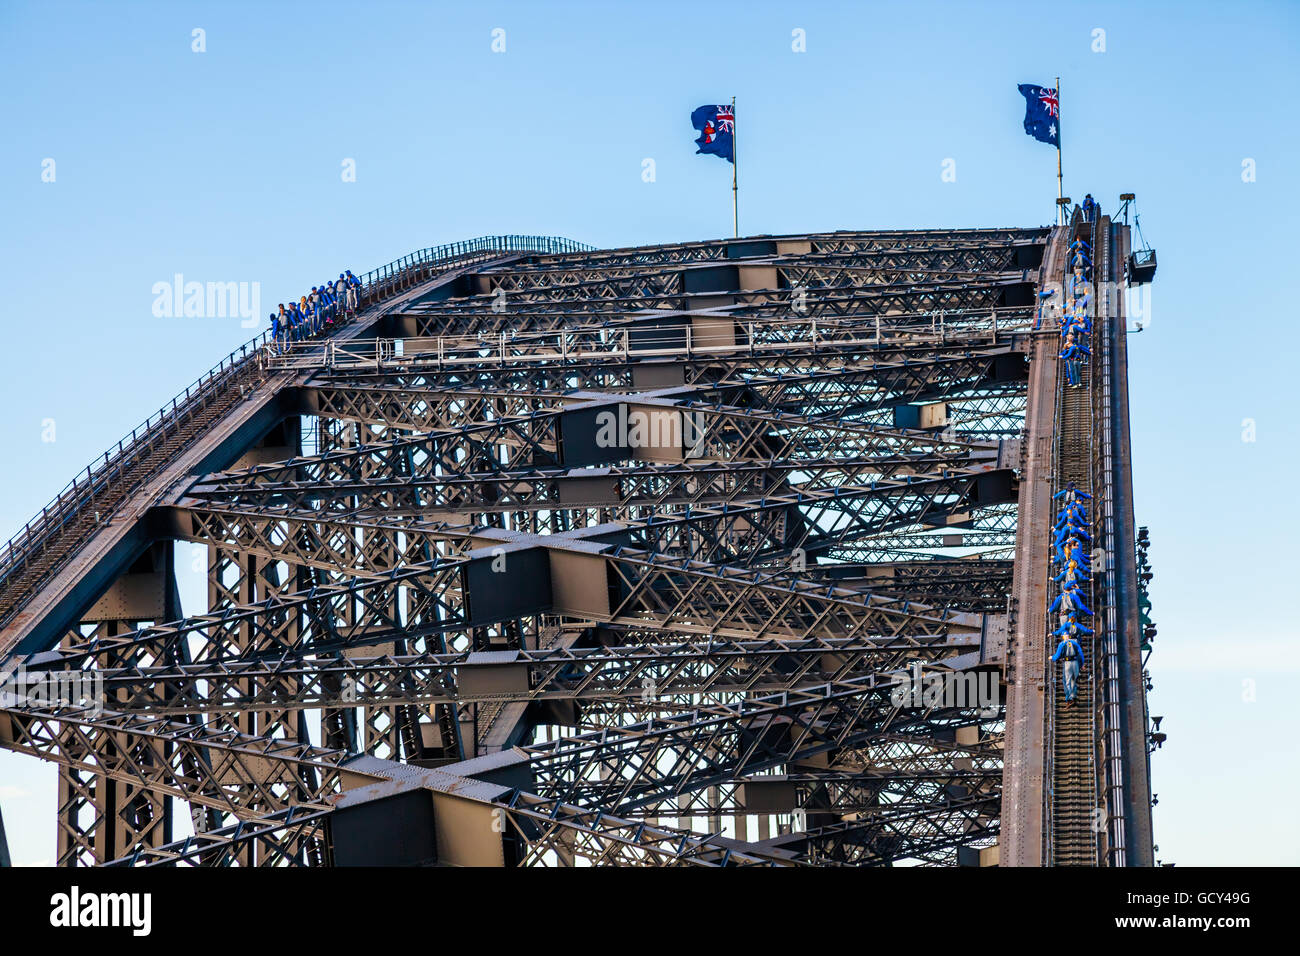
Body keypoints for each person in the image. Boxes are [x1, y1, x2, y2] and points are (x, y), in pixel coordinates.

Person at [1051, 630, 1086, 704]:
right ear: (1069, 636)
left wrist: (1052, 658)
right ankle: (1074, 696)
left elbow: (1057, 656)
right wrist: (1082, 664)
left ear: (1063, 636)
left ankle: (1069, 698)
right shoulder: (1075, 643)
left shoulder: (1062, 644)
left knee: (1067, 682)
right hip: (1075, 663)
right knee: (1074, 680)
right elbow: (1080, 654)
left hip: (1067, 664)